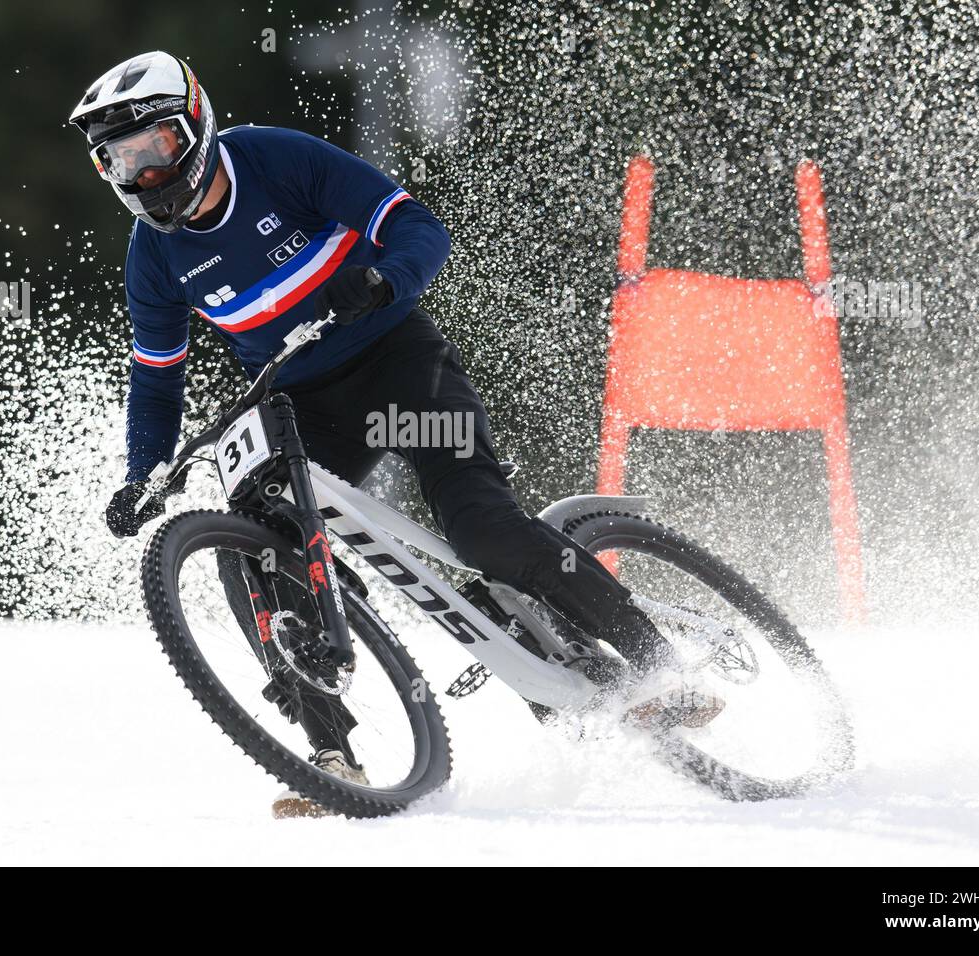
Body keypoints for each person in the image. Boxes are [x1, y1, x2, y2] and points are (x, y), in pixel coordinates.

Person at [70, 52, 716, 817]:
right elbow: (156, 379)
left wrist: (384, 281)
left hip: (397, 367)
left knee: (481, 528)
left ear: (199, 126)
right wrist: (144, 475)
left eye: (157, 148)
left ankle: (659, 667)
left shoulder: (276, 159)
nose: (143, 174)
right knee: (255, 554)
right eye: (120, 159)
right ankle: (332, 753)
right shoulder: (153, 256)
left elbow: (416, 228)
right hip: (298, 401)